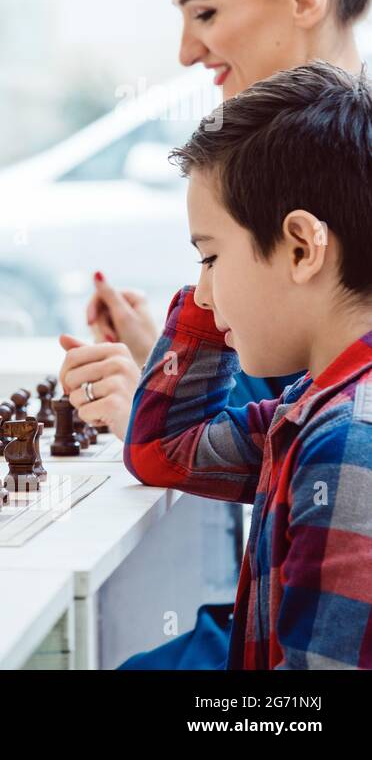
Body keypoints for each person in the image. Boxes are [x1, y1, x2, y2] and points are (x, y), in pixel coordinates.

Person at [61, 0, 369, 437]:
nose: (185, 51)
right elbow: (291, 401)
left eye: (205, 13)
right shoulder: (268, 162)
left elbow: (329, 444)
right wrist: (168, 359)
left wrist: (147, 411)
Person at [126, 61, 372, 669]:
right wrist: (221, 303)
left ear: (301, 248)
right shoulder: (307, 411)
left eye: (208, 258)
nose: (201, 295)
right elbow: (164, 447)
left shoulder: (346, 441)